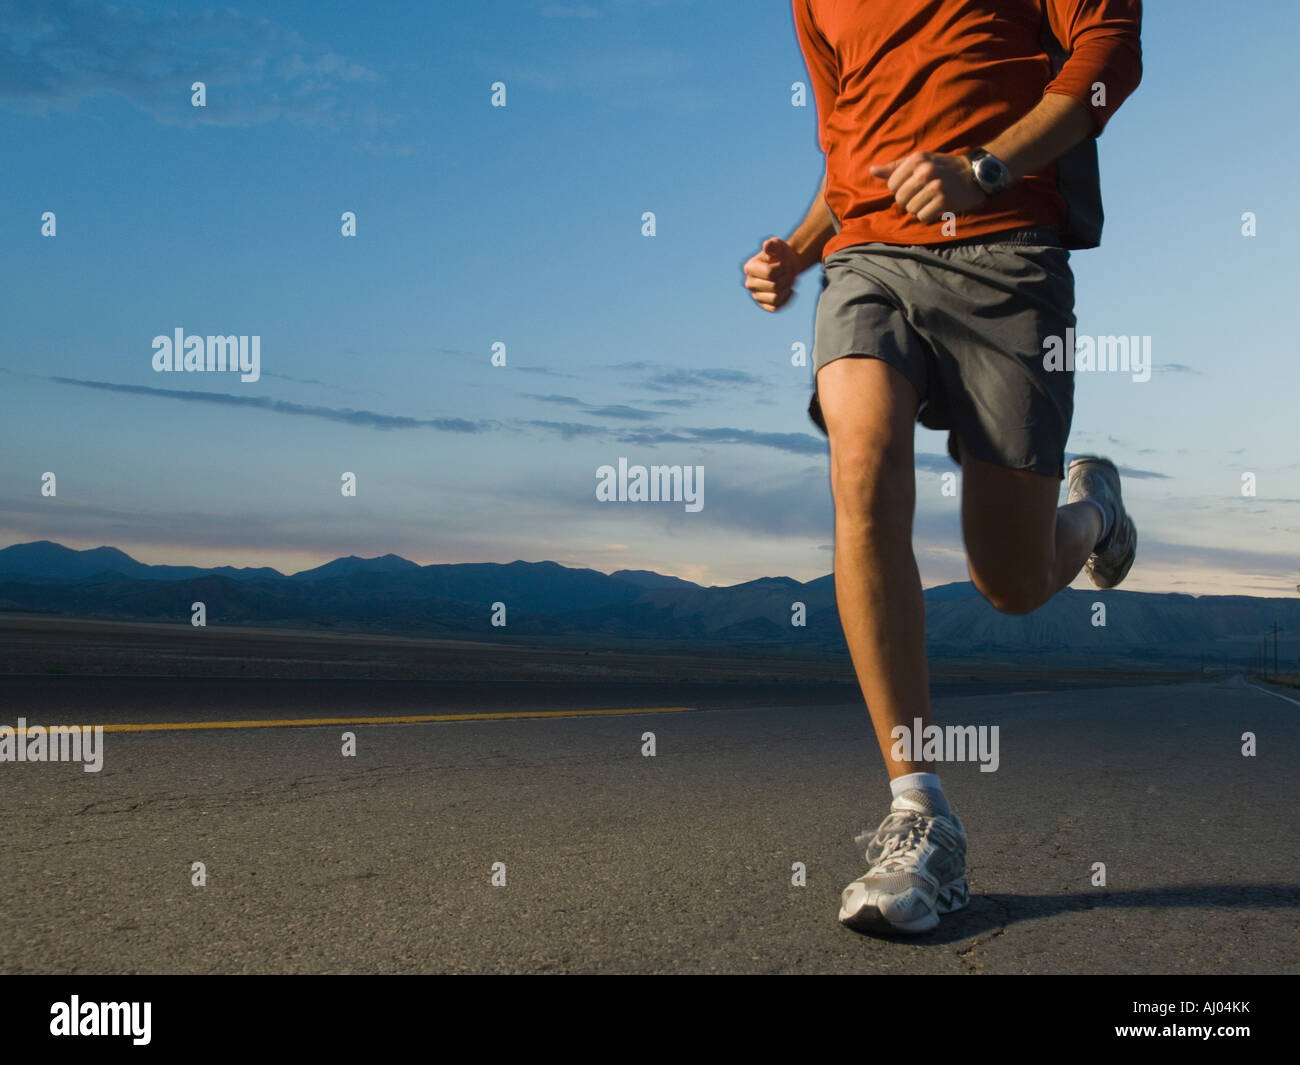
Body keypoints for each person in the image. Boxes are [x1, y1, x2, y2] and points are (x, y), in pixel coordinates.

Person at [742, 0, 1142, 935]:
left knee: (1008, 579)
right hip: (868, 259)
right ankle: (919, 809)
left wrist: (985, 167)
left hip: (1007, 253)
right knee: (863, 466)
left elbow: (1108, 56)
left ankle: (1092, 514)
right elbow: (851, 149)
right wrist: (798, 250)